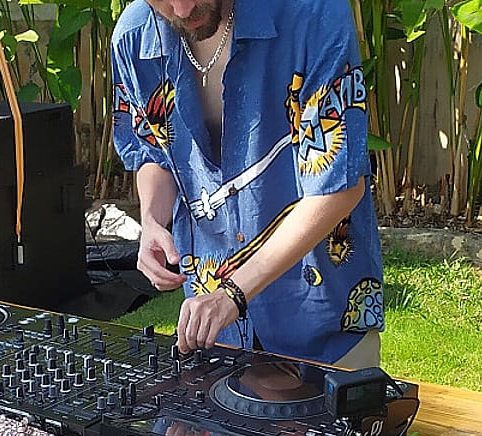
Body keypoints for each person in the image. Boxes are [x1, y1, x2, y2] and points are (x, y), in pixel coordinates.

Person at [111, 0, 384, 368]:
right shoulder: (133, 37)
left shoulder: (314, 12)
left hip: (322, 326)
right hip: (212, 334)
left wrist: (233, 293)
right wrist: (153, 220)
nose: (182, 7)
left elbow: (339, 186)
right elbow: (154, 152)